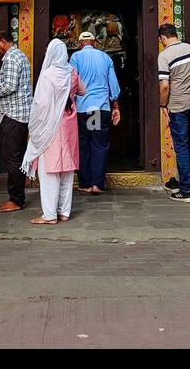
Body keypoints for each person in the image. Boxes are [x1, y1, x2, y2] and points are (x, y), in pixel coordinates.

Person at [22, 38, 85, 225]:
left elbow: (41, 104)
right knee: (66, 170)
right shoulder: (71, 72)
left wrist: (34, 128)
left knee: (49, 171)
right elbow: (83, 90)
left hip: (51, 127)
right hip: (69, 125)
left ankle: (49, 215)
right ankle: (64, 212)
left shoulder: (48, 75)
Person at [0, 30, 32, 213]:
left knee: (12, 158)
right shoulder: (19, 55)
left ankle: (16, 200)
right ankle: (17, 197)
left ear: (3, 41)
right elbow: (9, 80)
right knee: (15, 156)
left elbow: (9, 86)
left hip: (13, 114)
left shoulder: (11, 58)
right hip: (20, 114)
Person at [70, 30, 121, 195]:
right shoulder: (105, 57)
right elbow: (113, 83)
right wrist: (116, 106)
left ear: (80, 43)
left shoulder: (76, 57)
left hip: (83, 108)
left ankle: (85, 183)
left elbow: (72, 81)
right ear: (95, 42)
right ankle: (97, 184)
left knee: (84, 145)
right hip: (99, 108)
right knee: (98, 145)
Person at [157, 23, 190, 203]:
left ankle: (186, 190)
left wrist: (163, 105)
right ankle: (185, 180)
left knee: (181, 146)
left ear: (162, 38)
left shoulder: (165, 55)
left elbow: (165, 85)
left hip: (178, 105)